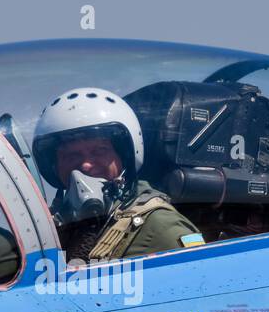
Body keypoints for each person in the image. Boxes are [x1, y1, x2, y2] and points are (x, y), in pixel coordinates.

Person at [31, 88, 204, 261]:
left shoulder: (161, 228)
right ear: (54, 166)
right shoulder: (52, 229)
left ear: (125, 156)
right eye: (71, 155)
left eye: (99, 151)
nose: (85, 164)